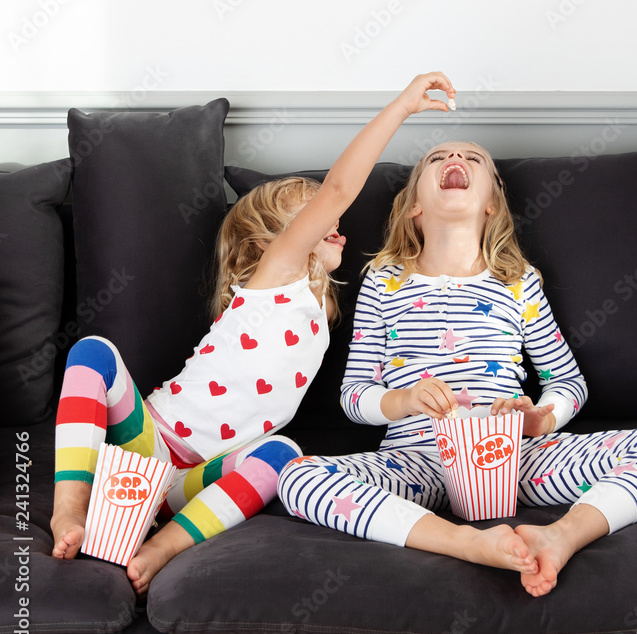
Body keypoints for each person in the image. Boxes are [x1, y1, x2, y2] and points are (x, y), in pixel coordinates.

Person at [49, 72, 459, 595]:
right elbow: (339, 189)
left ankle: (165, 544)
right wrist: (400, 107)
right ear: (273, 242)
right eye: (306, 215)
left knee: (282, 453)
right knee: (93, 354)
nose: (333, 218)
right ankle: (70, 507)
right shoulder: (274, 282)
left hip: (193, 484)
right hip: (146, 441)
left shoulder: (317, 312)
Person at [277, 137, 637, 597]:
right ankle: (464, 542)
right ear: (414, 205)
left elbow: (567, 380)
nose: (454, 159)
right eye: (437, 158)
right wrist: (404, 400)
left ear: (493, 204)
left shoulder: (518, 283)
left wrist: (543, 418)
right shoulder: (384, 281)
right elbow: (354, 395)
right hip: (419, 459)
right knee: (297, 477)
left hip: (516, 458)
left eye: (472, 158)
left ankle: (562, 536)